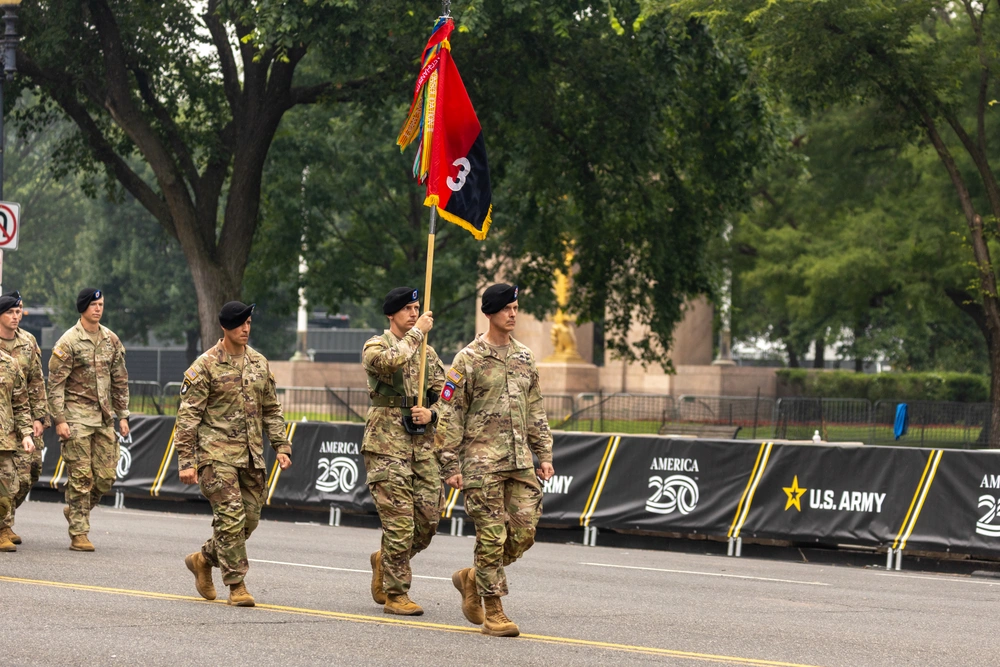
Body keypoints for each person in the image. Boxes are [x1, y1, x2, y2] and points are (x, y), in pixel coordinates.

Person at [437, 283, 555, 637]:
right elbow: (450, 413)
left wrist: (544, 453)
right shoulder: (468, 359)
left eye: (516, 307)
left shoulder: (524, 357)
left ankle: (473, 578)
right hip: (481, 463)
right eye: (506, 308)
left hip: (519, 461)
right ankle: (494, 611)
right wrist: (449, 464)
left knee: (523, 533)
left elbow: (535, 408)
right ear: (490, 313)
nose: (513, 314)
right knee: (491, 537)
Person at [175, 301, 292, 608]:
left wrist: (281, 445)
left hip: (251, 457)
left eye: (249, 322)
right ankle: (237, 585)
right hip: (216, 457)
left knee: (248, 521)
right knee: (230, 519)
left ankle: (203, 559)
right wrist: (187, 461)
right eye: (240, 323)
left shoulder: (259, 363)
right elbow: (188, 417)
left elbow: (271, 409)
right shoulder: (205, 365)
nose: (246, 328)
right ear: (225, 327)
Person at [363, 287, 446, 616]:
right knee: (399, 525)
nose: (414, 313)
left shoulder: (429, 354)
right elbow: (389, 362)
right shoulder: (375, 345)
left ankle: (384, 560)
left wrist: (432, 413)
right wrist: (417, 333)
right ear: (391, 315)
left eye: (417, 308)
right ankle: (396, 594)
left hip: (421, 446)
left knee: (428, 521)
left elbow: (448, 395)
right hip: (386, 445)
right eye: (408, 309)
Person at [48, 288, 130, 552]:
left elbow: (120, 379)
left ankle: (75, 509)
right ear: (83, 308)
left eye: (101, 304)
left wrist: (123, 415)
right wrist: (60, 419)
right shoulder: (68, 342)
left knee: (105, 477)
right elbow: (55, 385)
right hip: (76, 418)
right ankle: (79, 533)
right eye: (94, 304)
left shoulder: (111, 339)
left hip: (103, 418)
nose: (98, 308)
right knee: (81, 477)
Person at [0, 291, 49, 547]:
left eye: (18, 311)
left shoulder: (28, 342)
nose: (16, 316)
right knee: (7, 476)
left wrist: (39, 418)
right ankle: (3, 525)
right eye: (10, 312)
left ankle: (5, 519)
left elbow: (36, 382)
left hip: (22, 417)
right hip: (3, 419)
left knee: (30, 472)